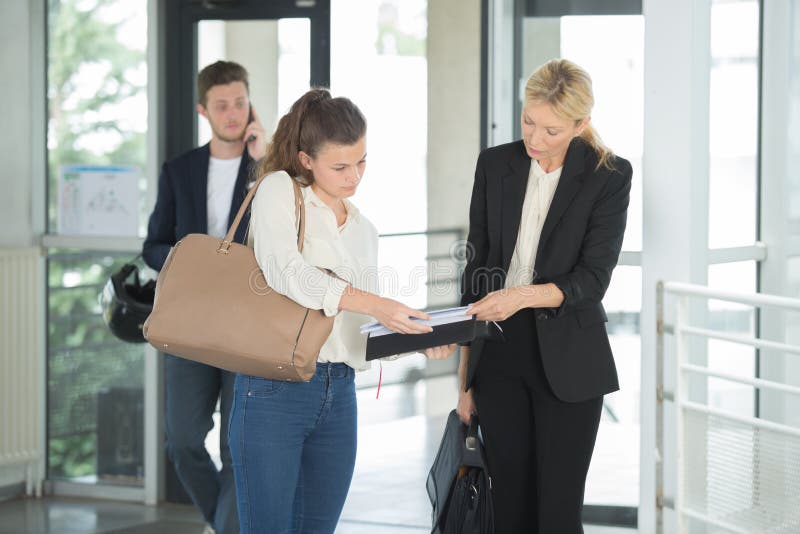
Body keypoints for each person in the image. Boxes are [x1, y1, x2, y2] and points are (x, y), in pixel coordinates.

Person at [228, 88, 454, 534]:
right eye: (340, 166)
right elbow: (284, 271)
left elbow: (360, 332)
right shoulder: (278, 190)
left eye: (362, 161)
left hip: (339, 393)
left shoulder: (363, 229)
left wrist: (417, 338)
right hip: (275, 390)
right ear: (306, 159)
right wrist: (376, 303)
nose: (355, 177)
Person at [456, 58, 632, 533]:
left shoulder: (608, 177)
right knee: (508, 508)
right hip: (498, 358)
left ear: (581, 124)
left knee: (556, 514)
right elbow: (476, 270)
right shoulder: (495, 164)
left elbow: (592, 280)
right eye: (528, 121)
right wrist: (465, 377)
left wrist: (520, 297)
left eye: (552, 130)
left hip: (570, 362)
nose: (535, 139)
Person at [143, 60, 267, 534]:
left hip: (245, 324)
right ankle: (225, 520)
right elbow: (152, 244)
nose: (233, 113)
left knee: (238, 443)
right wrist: (187, 261)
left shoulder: (269, 169)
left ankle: (227, 528)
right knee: (183, 438)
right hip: (191, 323)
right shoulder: (180, 171)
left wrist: (263, 155)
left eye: (240, 102)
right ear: (203, 110)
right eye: (222, 105)